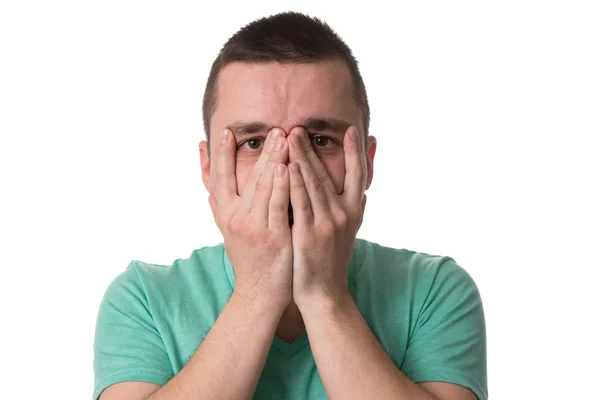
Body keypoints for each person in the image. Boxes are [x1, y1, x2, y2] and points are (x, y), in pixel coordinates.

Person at [93, 11, 487, 400]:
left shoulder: (435, 290)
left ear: (365, 164)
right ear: (209, 169)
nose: (286, 168)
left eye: (320, 140)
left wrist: (323, 295)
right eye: (253, 143)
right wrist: (259, 291)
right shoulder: (141, 299)